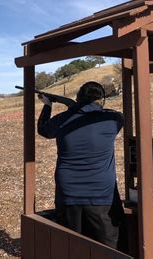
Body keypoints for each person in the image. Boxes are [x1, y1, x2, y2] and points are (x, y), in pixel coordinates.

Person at [37, 81, 124, 248]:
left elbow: (43, 130)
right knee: (107, 247)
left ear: (78, 97)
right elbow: (115, 116)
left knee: (72, 246)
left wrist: (48, 105)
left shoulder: (62, 120)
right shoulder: (113, 119)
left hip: (69, 193)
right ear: (101, 99)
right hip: (102, 194)